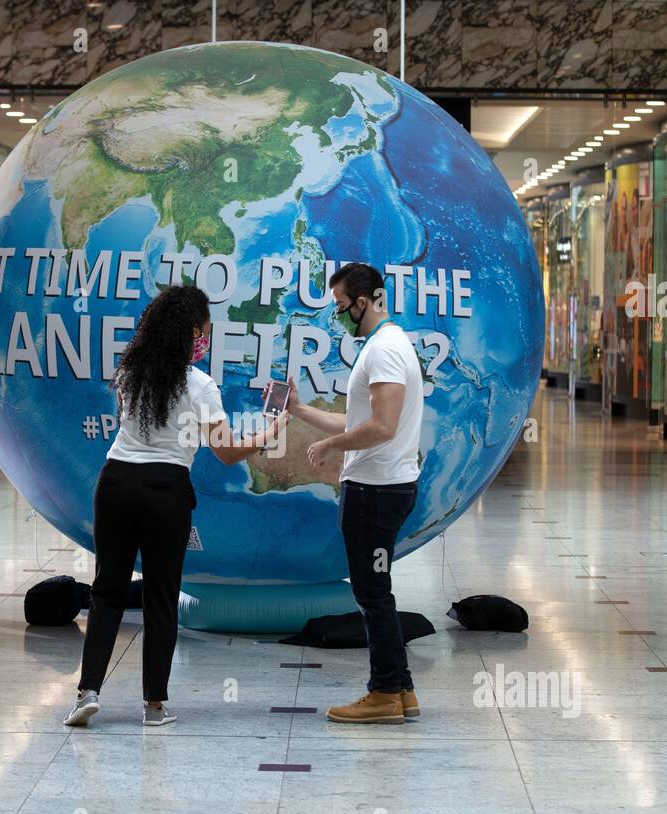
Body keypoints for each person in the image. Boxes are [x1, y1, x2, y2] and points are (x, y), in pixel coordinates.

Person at [64, 285, 288, 728]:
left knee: (107, 591)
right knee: (161, 598)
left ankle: (87, 693)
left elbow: (134, 423)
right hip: (166, 491)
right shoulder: (200, 385)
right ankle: (154, 706)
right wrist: (269, 433)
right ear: (190, 334)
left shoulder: (129, 372)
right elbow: (224, 451)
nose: (206, 338)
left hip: (115, 484)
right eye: (204, 331)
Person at [286, 262, 425, 724]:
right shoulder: (387, 346)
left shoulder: (384, 350)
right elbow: (358, 421)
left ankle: (383, 691)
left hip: (375, 490)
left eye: (342, 307)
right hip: (383, 485)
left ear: (362, 302)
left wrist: (330, 447)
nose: (338, 316)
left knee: (371, 593)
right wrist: (301, 411)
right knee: (376, 590)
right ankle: (402, 690)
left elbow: (380, 428)